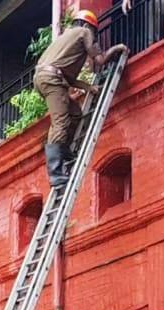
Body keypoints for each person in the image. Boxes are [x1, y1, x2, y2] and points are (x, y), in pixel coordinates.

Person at [33, 10, 127, 187]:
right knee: (60, 122)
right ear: (86, 25)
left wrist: (88, 87)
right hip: (53, 81)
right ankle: (56, 173)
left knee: (75, 114)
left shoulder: (66, 38)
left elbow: (68, 78)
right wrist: (117, 48)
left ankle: (65, 150)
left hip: (46, 78)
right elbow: (99, 60)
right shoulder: (83, 32)